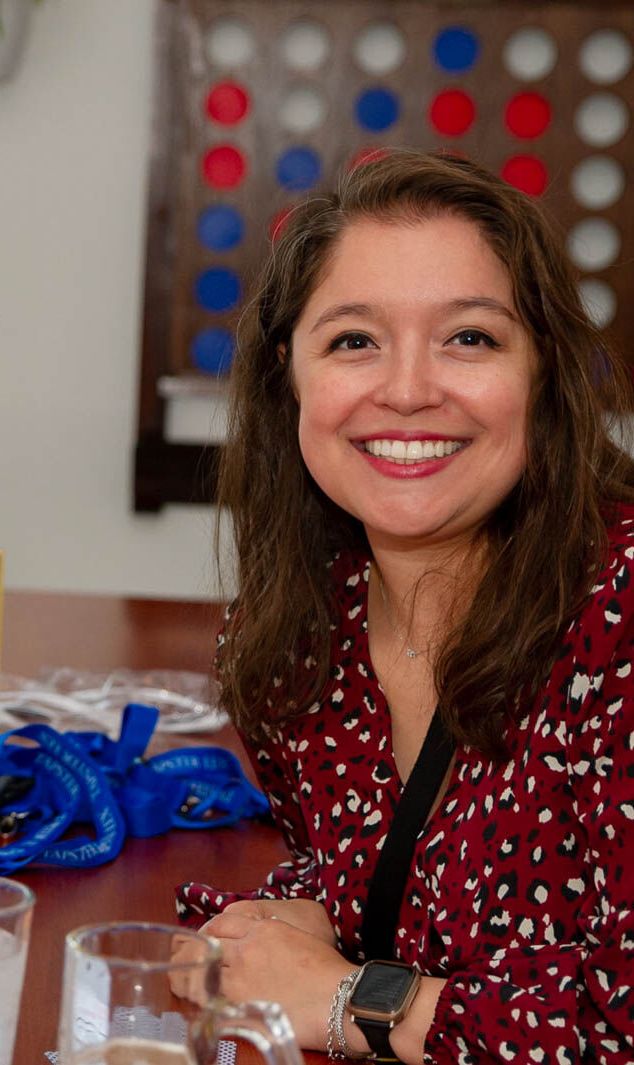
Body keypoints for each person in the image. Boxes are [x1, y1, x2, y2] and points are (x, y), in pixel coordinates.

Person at [177, 149, 634, 1063]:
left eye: (470, 338)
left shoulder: (617, 614)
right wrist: (316, 912)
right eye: (354, 341)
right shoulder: (293, 635)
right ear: (289, 376)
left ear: (543, 373)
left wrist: (346, 997)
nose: (410, 390)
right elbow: (411, 896)